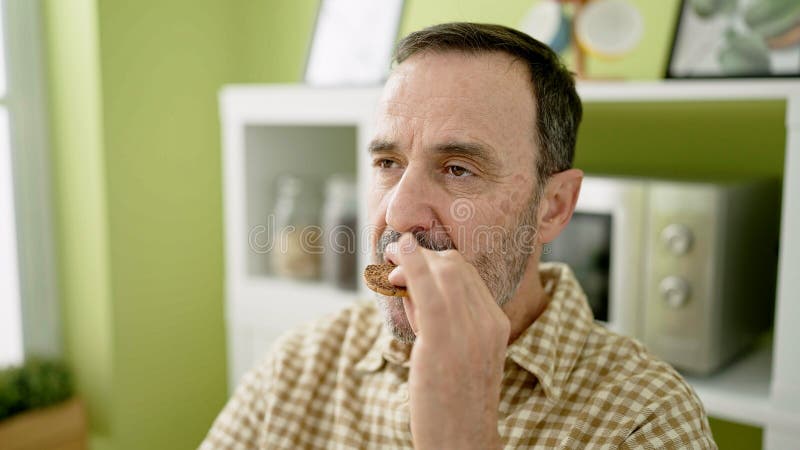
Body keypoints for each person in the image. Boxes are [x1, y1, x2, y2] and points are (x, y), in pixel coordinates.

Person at [200, 22, 717, 449]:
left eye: (457, 169)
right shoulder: (301, 366)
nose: (398, 213)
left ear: (553, 207)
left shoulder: (646, 421)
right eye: (387, 162)